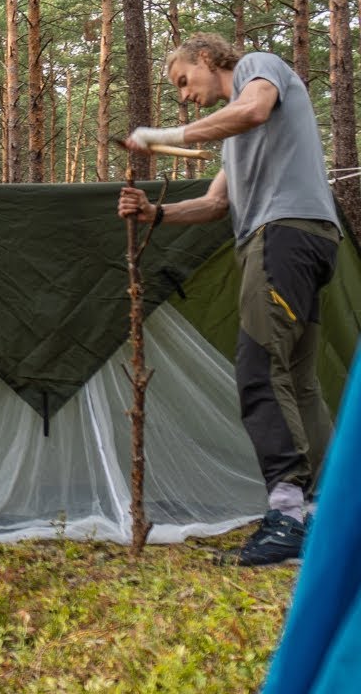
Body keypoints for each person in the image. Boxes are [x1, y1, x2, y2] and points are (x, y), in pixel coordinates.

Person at [118, 33, 342, 566]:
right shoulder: (237, 137)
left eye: (183, 80)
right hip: (304, 239)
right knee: (296, 380)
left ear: (206, 59)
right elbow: (217, 203)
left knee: (259, 371)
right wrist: (156, 214)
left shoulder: (257, 70)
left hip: (282, 236)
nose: (184, 94)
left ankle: (287, 516)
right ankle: (331, 513)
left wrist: (165, 134)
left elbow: (254, 108)